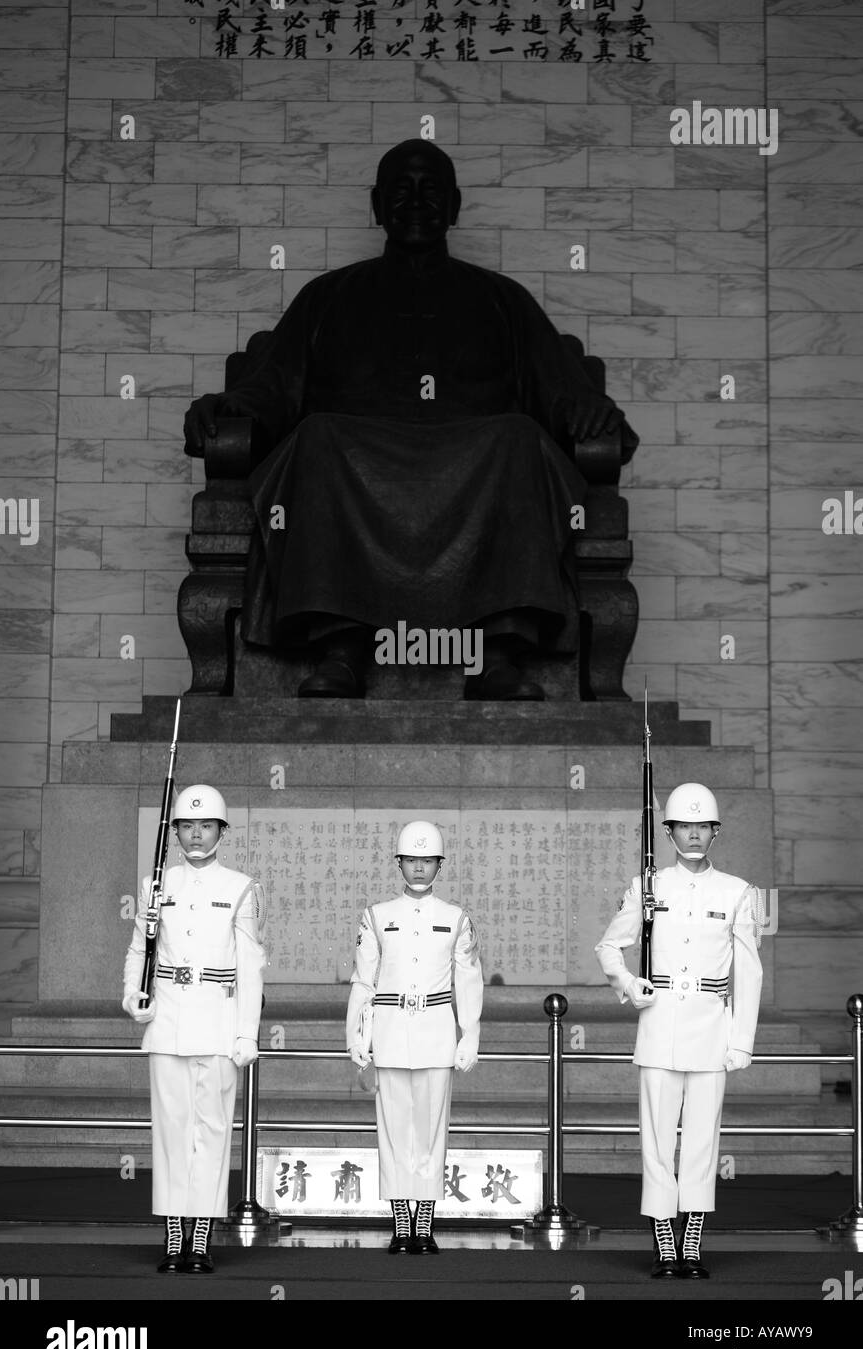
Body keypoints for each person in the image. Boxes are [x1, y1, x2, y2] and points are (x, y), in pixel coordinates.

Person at [183, 139, 638, 701]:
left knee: (520, 437)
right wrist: (229, 407)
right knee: (318, 436)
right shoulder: (328, 296)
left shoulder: (501, 299)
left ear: (455, 205)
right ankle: (341, 649)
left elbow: (558, 387)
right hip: (353, 460)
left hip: (479, 462)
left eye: (432, 190)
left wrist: (587, 409)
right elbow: (274, 388)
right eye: (401, 190)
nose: (417, 201)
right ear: (376, 205)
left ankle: (497, 654)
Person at [594, 783, 762, 1279]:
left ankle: (692, 1243)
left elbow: (748, 971)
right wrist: (629, 983)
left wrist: (741, 1041)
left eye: (702, 826)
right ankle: (664, 1243)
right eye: (682, 826)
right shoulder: (648, 886)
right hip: (660, 1023)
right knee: (657, 1140)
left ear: (716, 832)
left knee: (704, 1141)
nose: (693, 834)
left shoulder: (736, 891)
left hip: (711, 1029)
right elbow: (609, 947)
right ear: (667, 832)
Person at [122, 785, 266, 1273]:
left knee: (211, 1131)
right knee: (171, 1132)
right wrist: (133, 995)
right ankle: (173, 1236)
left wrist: (247, 1033)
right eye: (187, 826)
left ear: (222, 832)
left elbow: (251, 965)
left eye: (206, 826)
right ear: (175, 832)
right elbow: (140, 949)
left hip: (219, 1026)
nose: (197, 834)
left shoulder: (240, 887)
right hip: (167, 1024)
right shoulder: (155, 885)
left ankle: (200, 1239)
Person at [346, 820, 483, 1252]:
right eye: (411, 860)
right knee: (393, 1130)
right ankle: (400, 1222)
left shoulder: (456, 918)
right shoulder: (377, 915)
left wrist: (469, 1035)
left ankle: (424, 1223)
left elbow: (470, 981)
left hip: (436, 1032)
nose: (419, 868)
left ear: (439, 865)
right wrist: (356, 1037)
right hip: (388, 1031)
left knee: (430, 1131)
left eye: (427, 860)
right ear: (398, 863)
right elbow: (363, 982)